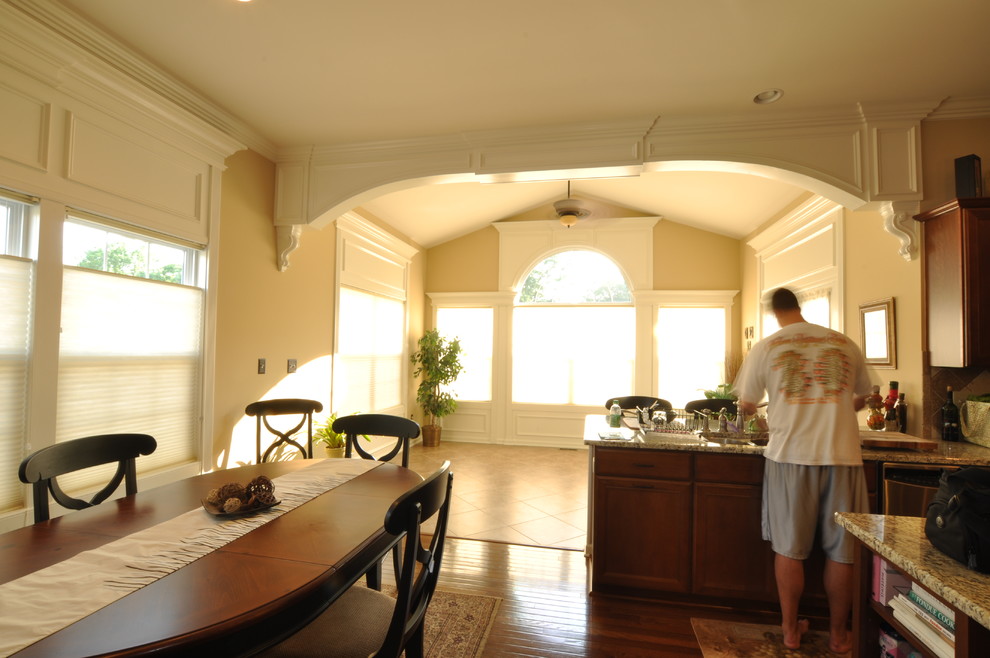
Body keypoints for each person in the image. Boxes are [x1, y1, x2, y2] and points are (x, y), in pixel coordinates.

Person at [734, 287, 872, 654]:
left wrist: (769, 407)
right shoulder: (843, 343)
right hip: (843, 456)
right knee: (842, 552)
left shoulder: (767, 346)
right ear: (799, 306)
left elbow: (746, 404)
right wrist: (836, 408)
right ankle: (840, 634)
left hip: (790, 456)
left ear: (774, 311)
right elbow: (862, 395)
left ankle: (790, 631)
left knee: (790, 549)